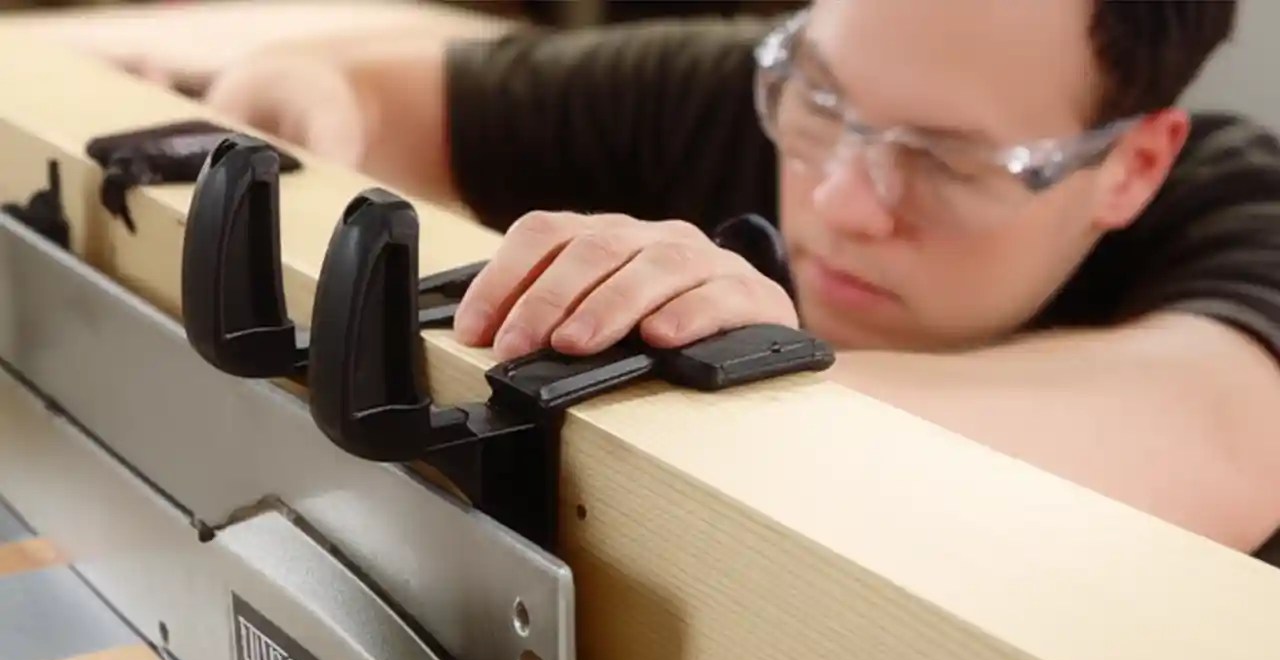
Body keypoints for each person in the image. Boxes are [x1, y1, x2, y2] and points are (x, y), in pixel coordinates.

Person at [79, 0, 1280, 564]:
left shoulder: (1247, 210)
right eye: (818, 103)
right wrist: (303, 103)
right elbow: (383, 87)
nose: (846, 200)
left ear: (1130, 163)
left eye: (951, 162)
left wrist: (747, 365)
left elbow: (1221, 430)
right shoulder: (758, 85)